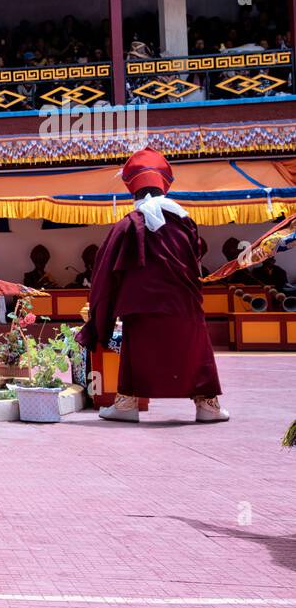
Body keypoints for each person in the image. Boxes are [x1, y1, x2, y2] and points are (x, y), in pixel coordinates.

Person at [77, 149, 228, 423]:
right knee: (195, 350)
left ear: (131, 190)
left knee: (137, 354)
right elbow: (196, 259)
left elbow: (104, 274)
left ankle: (127, 404)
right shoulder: (185, 222)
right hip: (185, 306)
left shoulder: (127, 224)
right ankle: (207, 406)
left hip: (142, 309)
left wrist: (100, 319)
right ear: (164, 186)